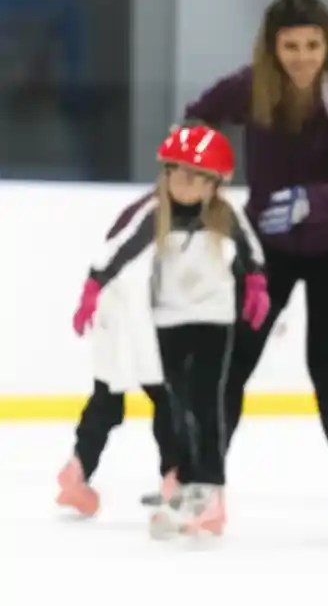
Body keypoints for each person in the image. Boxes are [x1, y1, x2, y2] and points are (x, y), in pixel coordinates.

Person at [182, 0, 328, 521]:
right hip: (267, 252)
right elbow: (195, 123)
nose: (301, 57)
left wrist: (308, 203)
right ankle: (204, 475)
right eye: (290, 46)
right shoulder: (252, 89)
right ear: (272, 48)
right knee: (233, 362)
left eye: (311, 45)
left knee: (327, 363)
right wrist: (203, 183)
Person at [67, 125, 270, 538]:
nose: (182, 182)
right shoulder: (154, 213)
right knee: (177, 407)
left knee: (207, 405)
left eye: (194, 175)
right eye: (175, 172)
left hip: (214, 321)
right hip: (168, 323)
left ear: (215, 183)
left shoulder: (226, 217)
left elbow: (253, 254)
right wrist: (92, 289)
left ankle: (213, 493)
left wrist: (257, 285)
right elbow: (116, 250)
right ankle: (188, 485)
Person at [58, 207, 181, 517]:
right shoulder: (163, 207)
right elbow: (121, 249)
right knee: (166, 396)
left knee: (107, 395)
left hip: (112, 299)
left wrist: (93, 289)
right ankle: (173, 479)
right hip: (137, 300)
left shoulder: (145, 205)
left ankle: (79, 467)